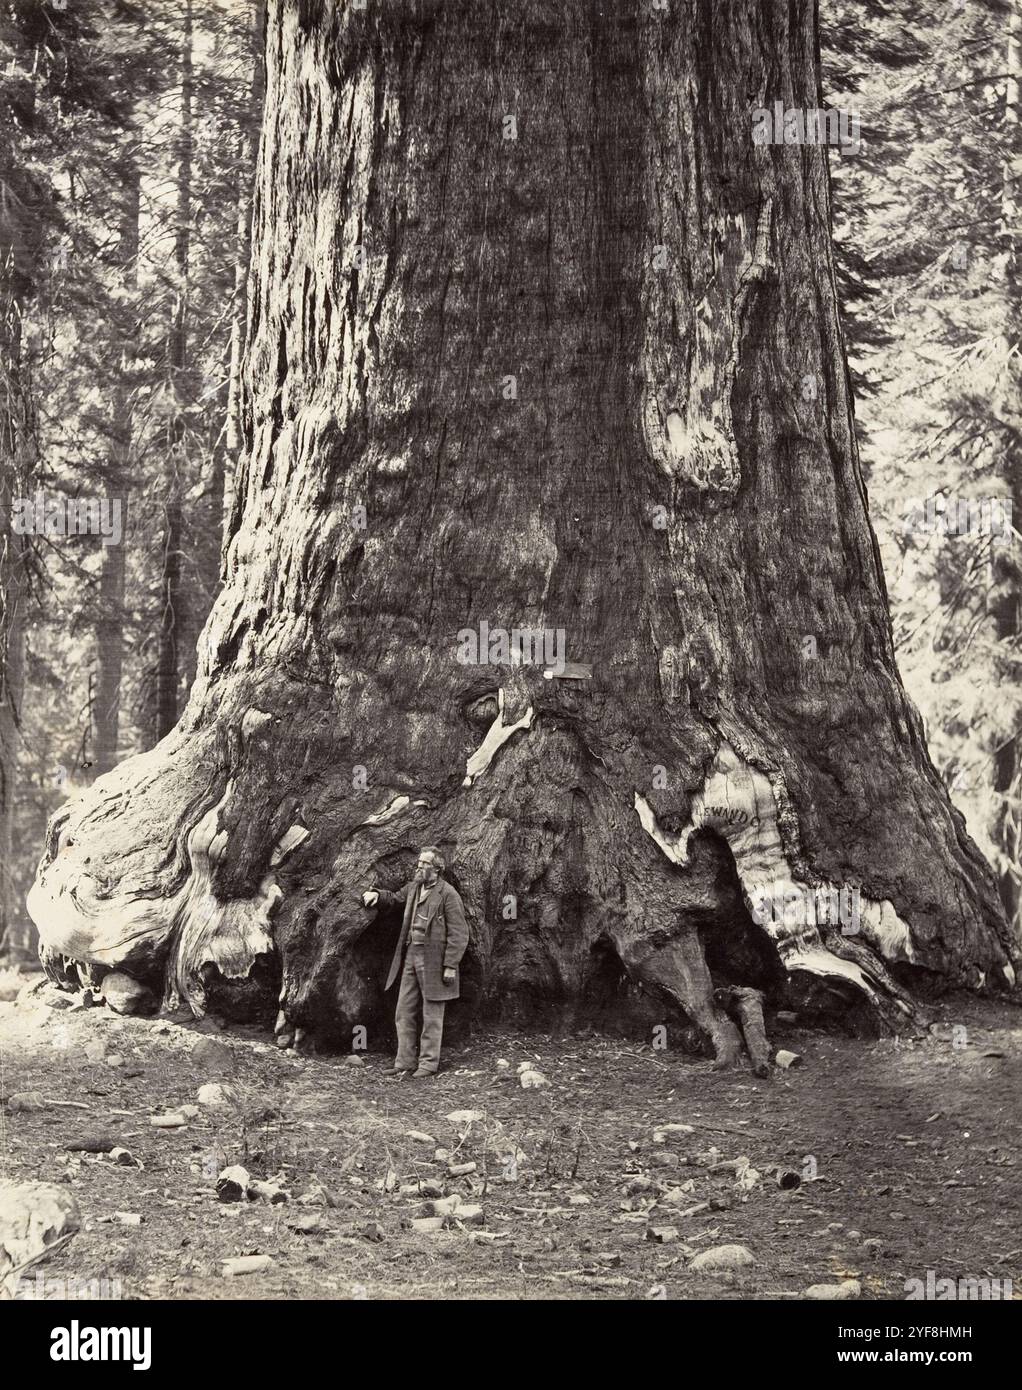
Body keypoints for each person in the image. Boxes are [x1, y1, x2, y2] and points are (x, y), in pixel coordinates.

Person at [361, 846, 469, 1077]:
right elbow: (394, 898)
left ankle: (428, 1064)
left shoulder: (448, 894)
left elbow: (459, 933)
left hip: (435, 961)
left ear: (437, 869)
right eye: (419, 862)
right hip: (410, 955)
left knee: (432, 1015)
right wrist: (377, 895)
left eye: (424, 864)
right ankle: (405, 1062)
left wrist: (450, 965)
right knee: (404, 1010)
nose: (419, 867)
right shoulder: (414, 888)